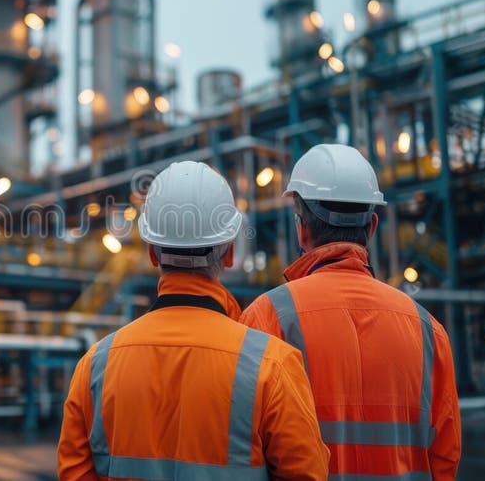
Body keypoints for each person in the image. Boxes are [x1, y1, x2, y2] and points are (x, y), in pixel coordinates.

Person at [58, 161, 329, 481]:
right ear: (229, 254)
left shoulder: (94, 367)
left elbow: (74, 473)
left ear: (152, 254)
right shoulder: (272, 365)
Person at [240, 144, 462, 480]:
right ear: (372, 227)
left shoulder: (266, 318)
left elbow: (246, 449)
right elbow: (445, 458)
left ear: (302, 229)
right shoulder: (428, 329)